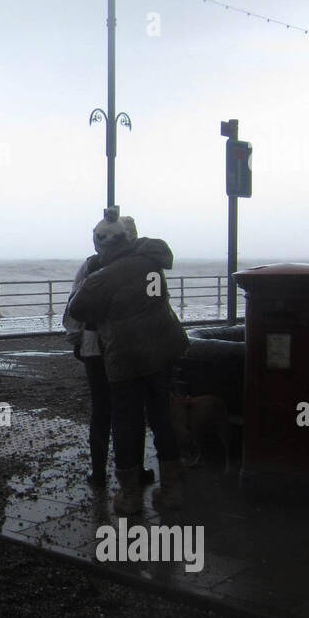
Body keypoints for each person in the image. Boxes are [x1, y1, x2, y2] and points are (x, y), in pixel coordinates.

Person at [65, 211, 189, 515]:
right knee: (162, 419)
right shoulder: (151, 265)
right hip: (161, 352)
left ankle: (131, 496)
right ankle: (172, 490)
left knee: (126, 423)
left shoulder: (101, 278)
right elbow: (157, 300)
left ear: (100, 245)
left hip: (125, 358)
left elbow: (78, 308)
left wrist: (107, 312)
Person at [64, 216, 151, 490]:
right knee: (132, 410)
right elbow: (154, 304)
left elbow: (73, 306)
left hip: (95, 348)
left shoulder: (90, 266)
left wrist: (76, 340)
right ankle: (135, 469)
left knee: (101, 411)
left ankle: (99, 472)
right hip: (132, 346)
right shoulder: (142, 266)